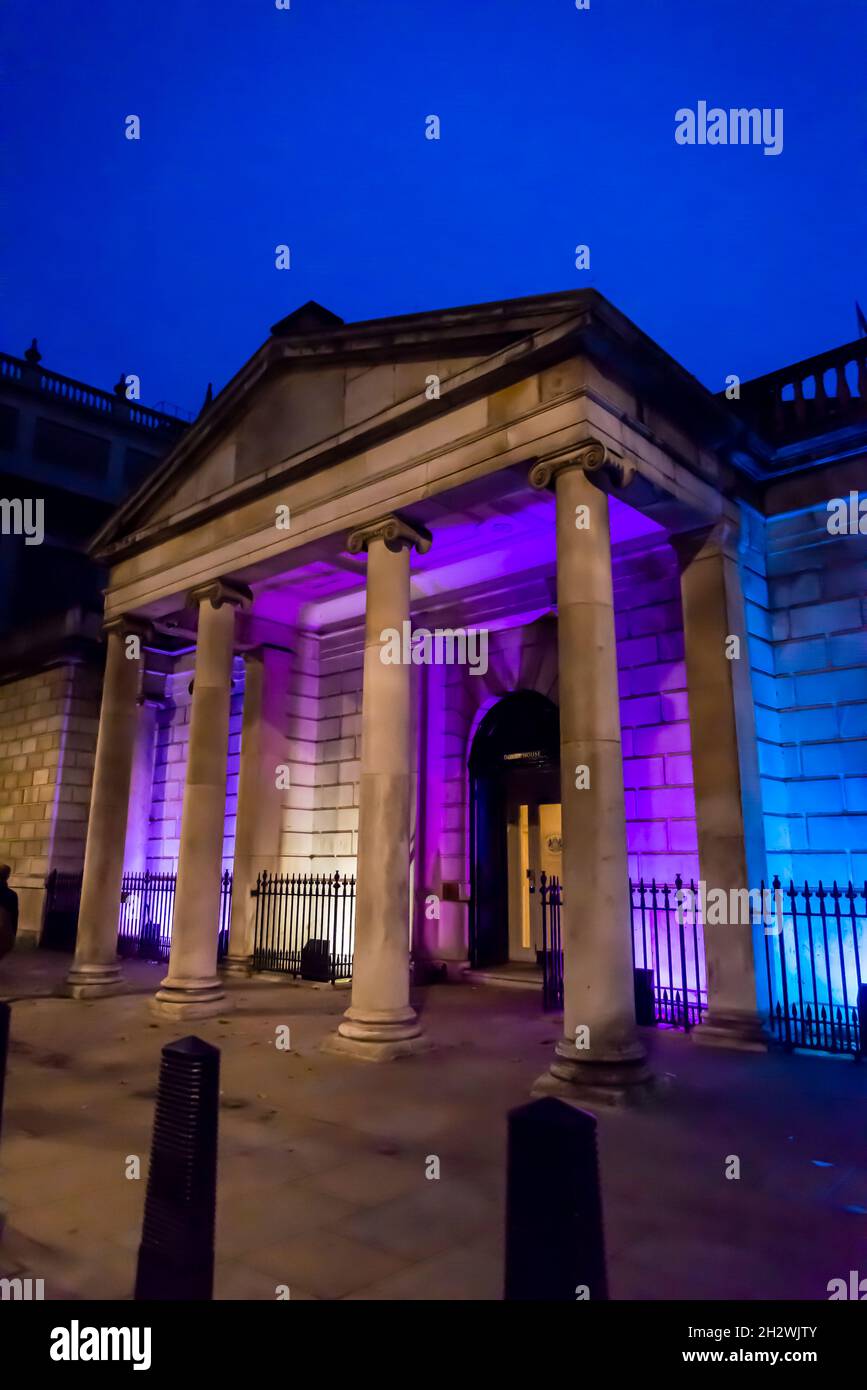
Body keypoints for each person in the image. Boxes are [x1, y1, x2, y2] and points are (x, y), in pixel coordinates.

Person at [0, 864, 18, 961]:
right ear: (8, 876)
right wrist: (13, 933)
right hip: (4, 932)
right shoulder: (11, 895)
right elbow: (14, 916)